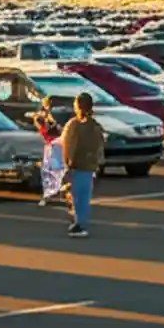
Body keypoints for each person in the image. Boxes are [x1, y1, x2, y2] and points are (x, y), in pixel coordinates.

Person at [60, 92, 105, 238]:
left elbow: (69, 145)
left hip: (77, 165)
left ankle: (79, 223)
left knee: (77, 196)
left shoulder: (74, 125)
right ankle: (80, 222)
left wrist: (67, 163)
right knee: (84, 196)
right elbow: (100, 146)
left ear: (78, 106)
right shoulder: (95, 126)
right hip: (89, 165)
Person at [30, 97, 66, 206]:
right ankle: (50, 194)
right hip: (51, 146)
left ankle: (57, 193)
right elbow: (43, 128)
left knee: (56, 171)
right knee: (49, 171)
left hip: (56, 146)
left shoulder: (55, 115)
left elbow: (57, 129)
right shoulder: (42, 116)